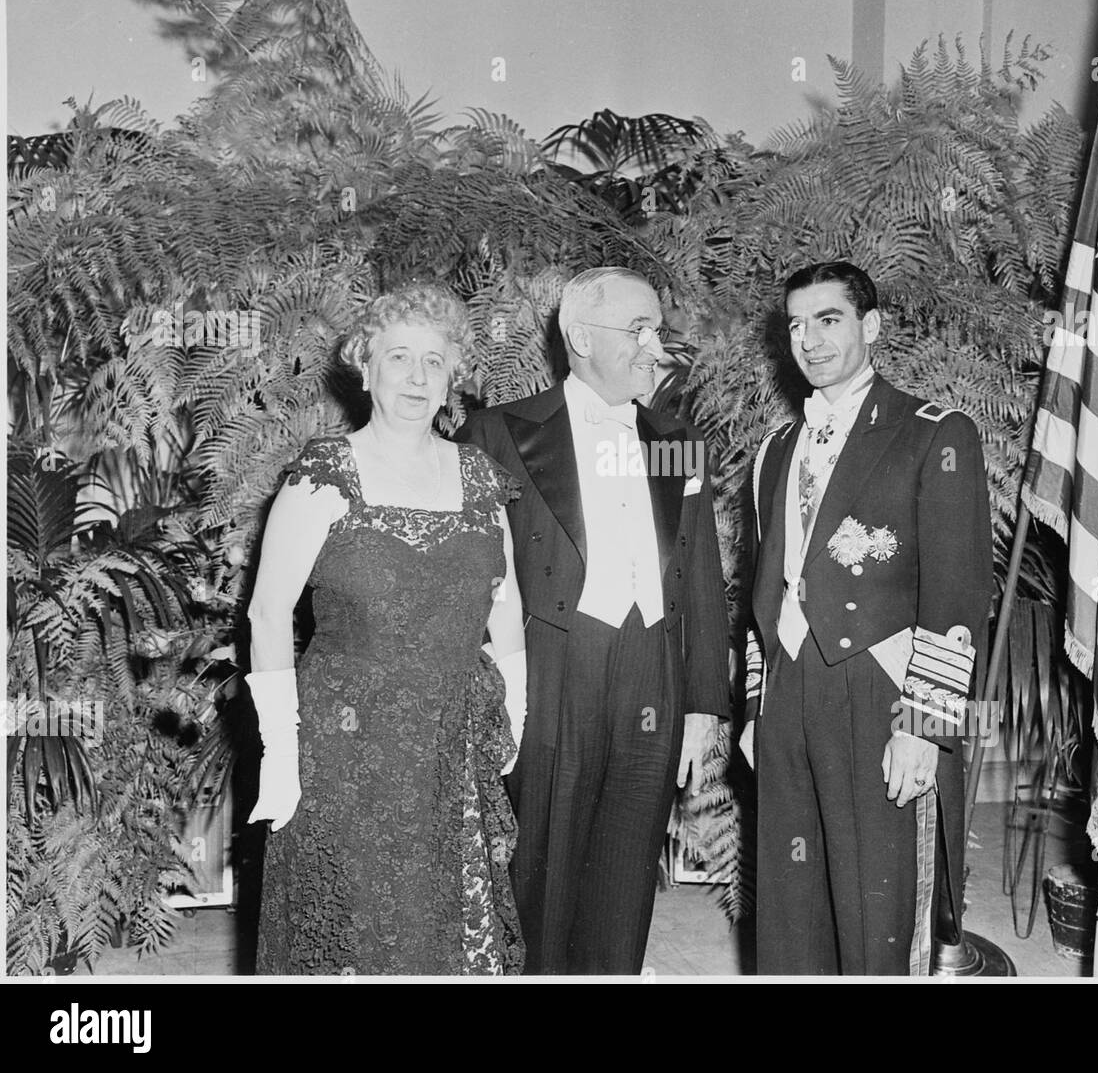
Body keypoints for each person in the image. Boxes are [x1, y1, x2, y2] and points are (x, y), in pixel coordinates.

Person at [247, 283, 528, 975]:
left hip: (450, 745)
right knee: (358, 931)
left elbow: (507, 607)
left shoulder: (481, 477)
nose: (416, 376)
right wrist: (280, 754)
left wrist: (515, 715)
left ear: (453, 378)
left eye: (435, 361)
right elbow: (265, 611)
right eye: (398, 357)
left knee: (446, 932)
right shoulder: (323, 476)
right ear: (365, 369)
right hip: (342, 746)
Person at [457, 266, 731, 974]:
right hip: (551, 671)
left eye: (658, 330)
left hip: (652, 675)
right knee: (537, 872)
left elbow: (700, 574)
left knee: (626, 873)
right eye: (636, 330)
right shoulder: (499, 432)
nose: (654, 347)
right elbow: (467, 575)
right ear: (580, 336)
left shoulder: (676, 440)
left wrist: (703, 704)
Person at [741, 261, 993, 975]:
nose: (811, 340)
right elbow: (764, 594)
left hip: (880, 691)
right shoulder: (775, 451)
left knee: (875, 915)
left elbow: (957, 596)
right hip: (790, 692)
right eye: (797, 325)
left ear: (871, 327)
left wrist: (925, 725)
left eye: (830, 320)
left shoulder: (934, 434)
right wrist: (759, 705)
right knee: (790, 911)